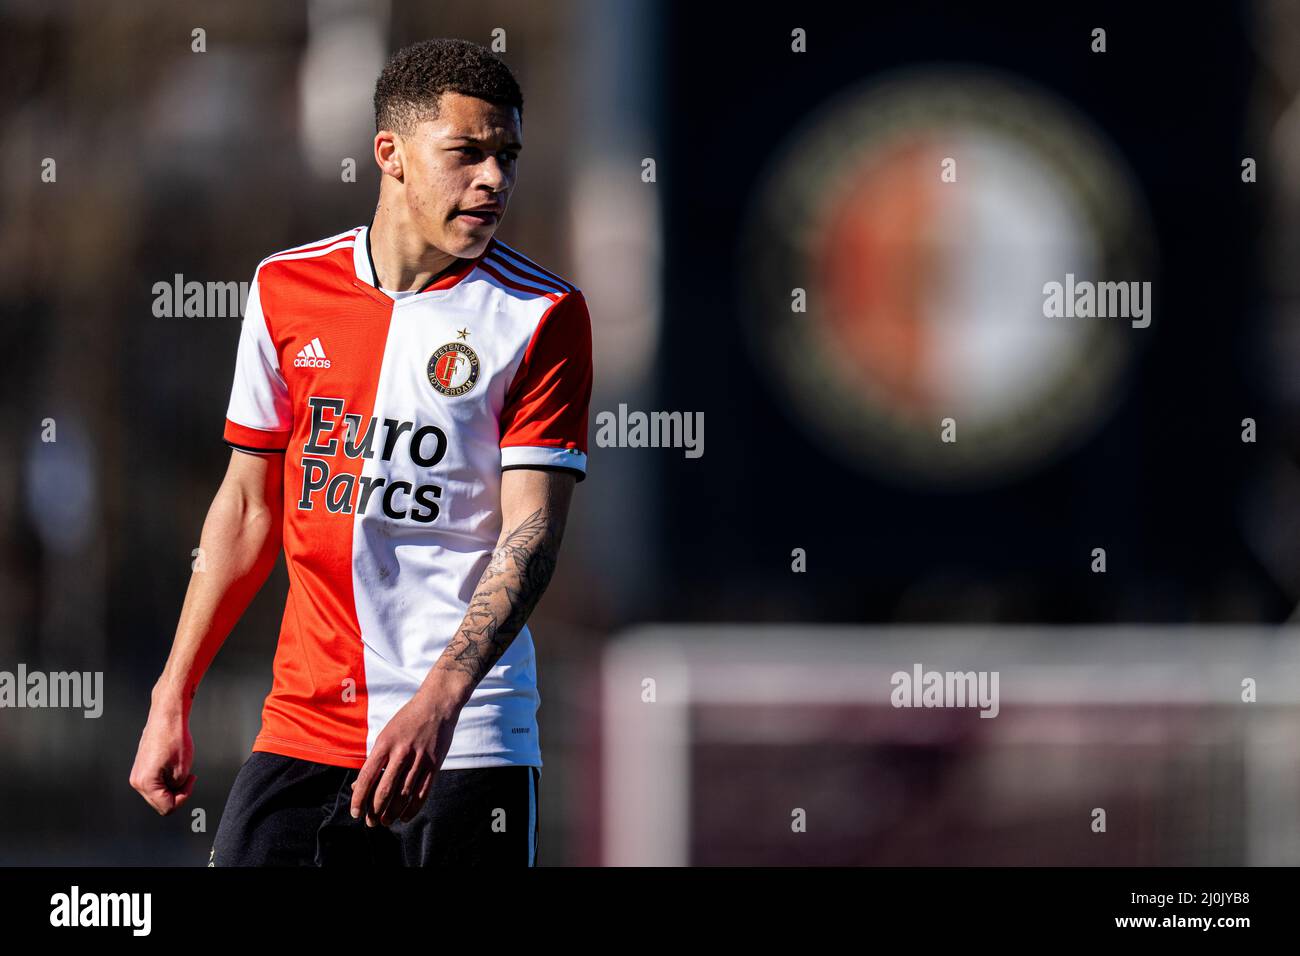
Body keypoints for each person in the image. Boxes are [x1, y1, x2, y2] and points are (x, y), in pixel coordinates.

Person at [128, 37, 592, 867]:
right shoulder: (284, 289)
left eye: (508, 156)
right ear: (391, 154)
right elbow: (245, 506)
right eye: (468, 153)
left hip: (464, 739)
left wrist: (444, 700)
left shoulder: (542, 315)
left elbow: (531, 536)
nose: (495, 178)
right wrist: (174, 693)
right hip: (304, 725)